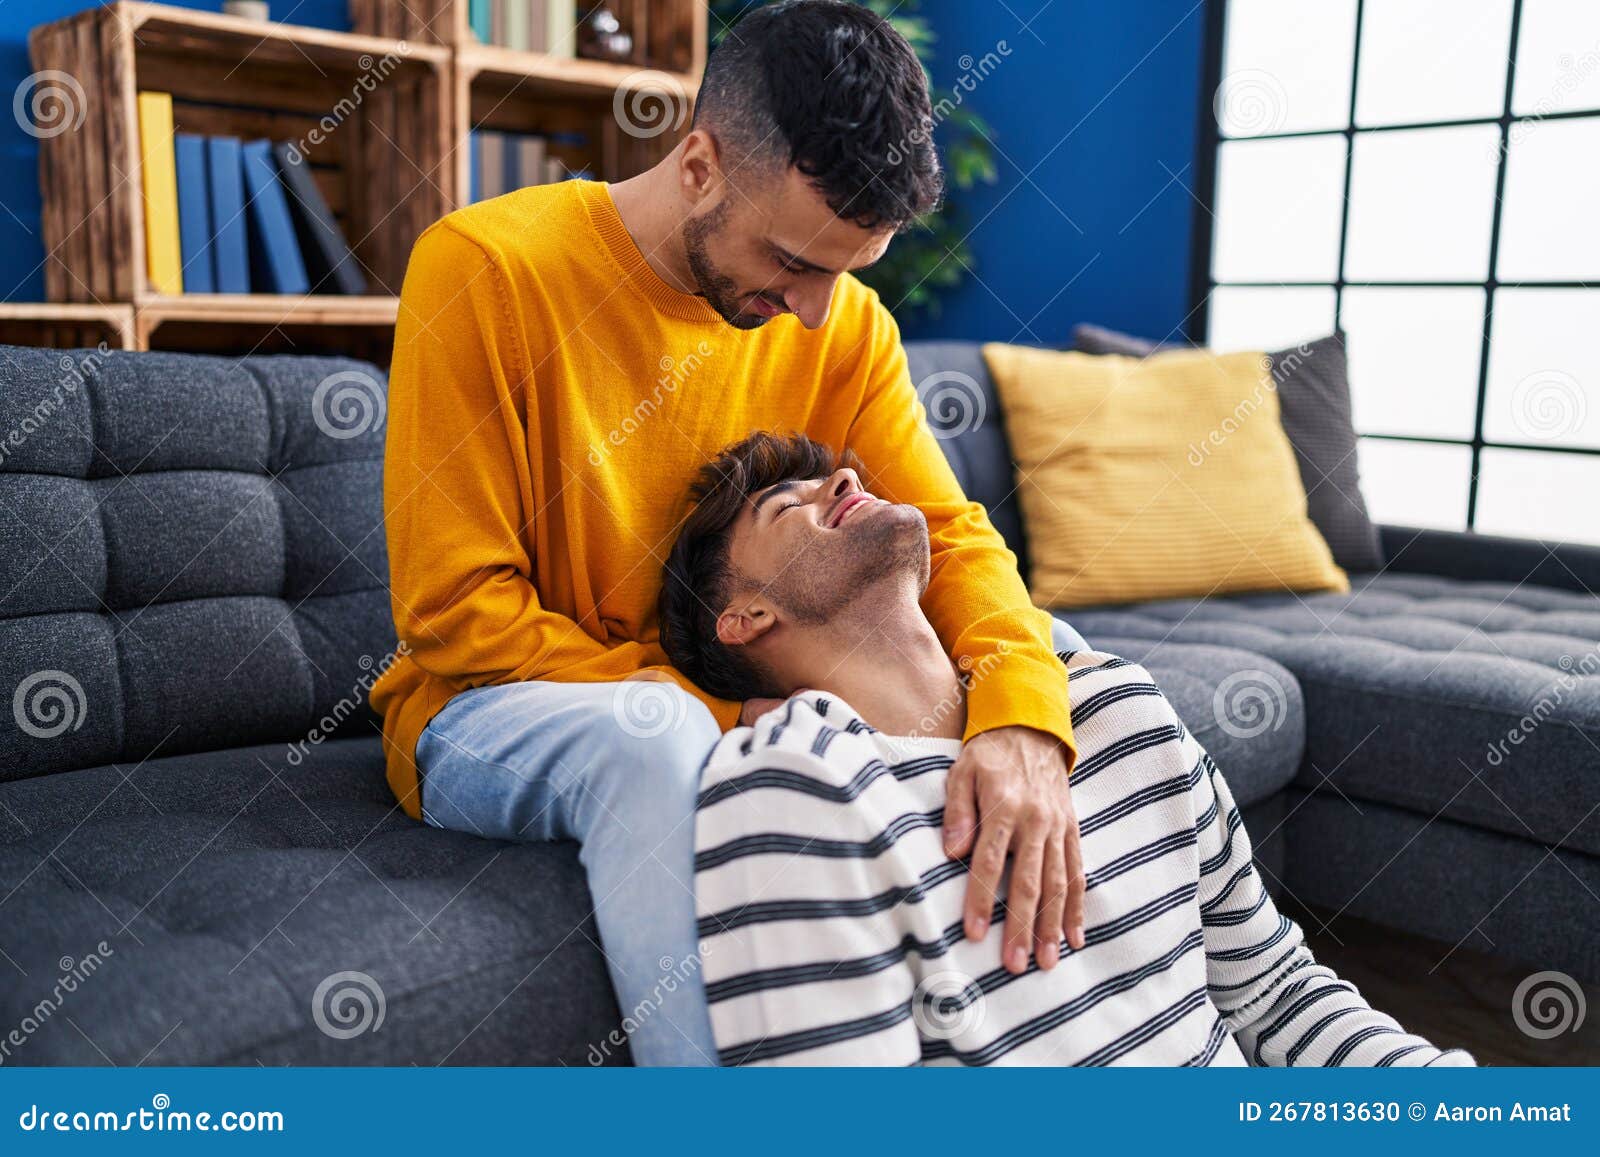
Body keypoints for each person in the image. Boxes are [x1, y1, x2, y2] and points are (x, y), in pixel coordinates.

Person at [370, 1, 1086, 1065]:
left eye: (845, 271)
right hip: (486, 707)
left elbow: (952, 536)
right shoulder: (487, 266)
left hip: (727, 688)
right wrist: (728, 704)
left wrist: (1021, 716)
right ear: (699, 162)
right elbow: (456, 614)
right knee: (655, 733)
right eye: (793, 261)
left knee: (1059, 664)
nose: (811, 309)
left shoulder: (842, 321)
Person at [658, 432, 1476, 1067]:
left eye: (834, 474)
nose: (842, 481)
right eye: (785, 506)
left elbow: (1275, 995)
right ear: (746, 617)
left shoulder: (1115, 704)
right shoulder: (798, 786)